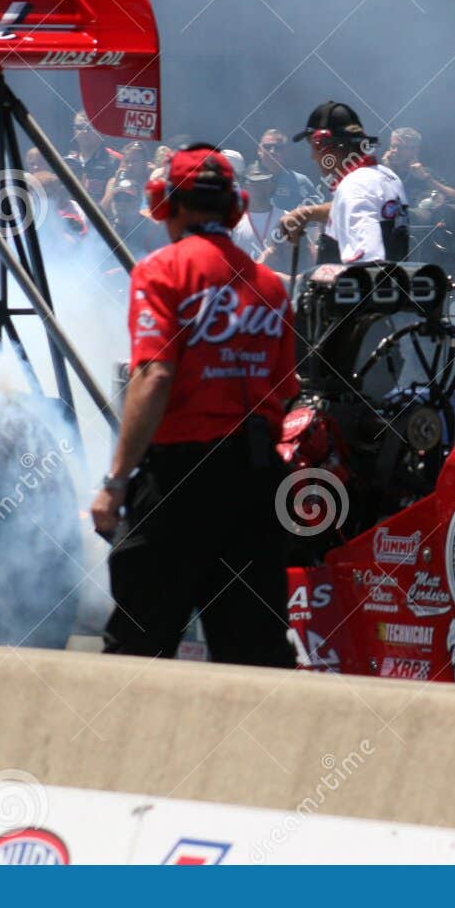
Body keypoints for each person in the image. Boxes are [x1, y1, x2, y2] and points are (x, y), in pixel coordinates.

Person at [90, 143, 299, 666]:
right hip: (254, 481)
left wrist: (116, 482)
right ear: (235, 207)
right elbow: (285, 390)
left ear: (165, 203)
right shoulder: (271, 287)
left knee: (137, 646)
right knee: (255, 657)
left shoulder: (161, 272)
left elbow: (154, 374)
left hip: (178, 478)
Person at [284, 100, 408, 265]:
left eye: (312, 146)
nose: (312, 157)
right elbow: (361, 208)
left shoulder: (354, 187)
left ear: (324, 146)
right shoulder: (387, 177)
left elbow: (368, 265)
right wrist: (308, 213)